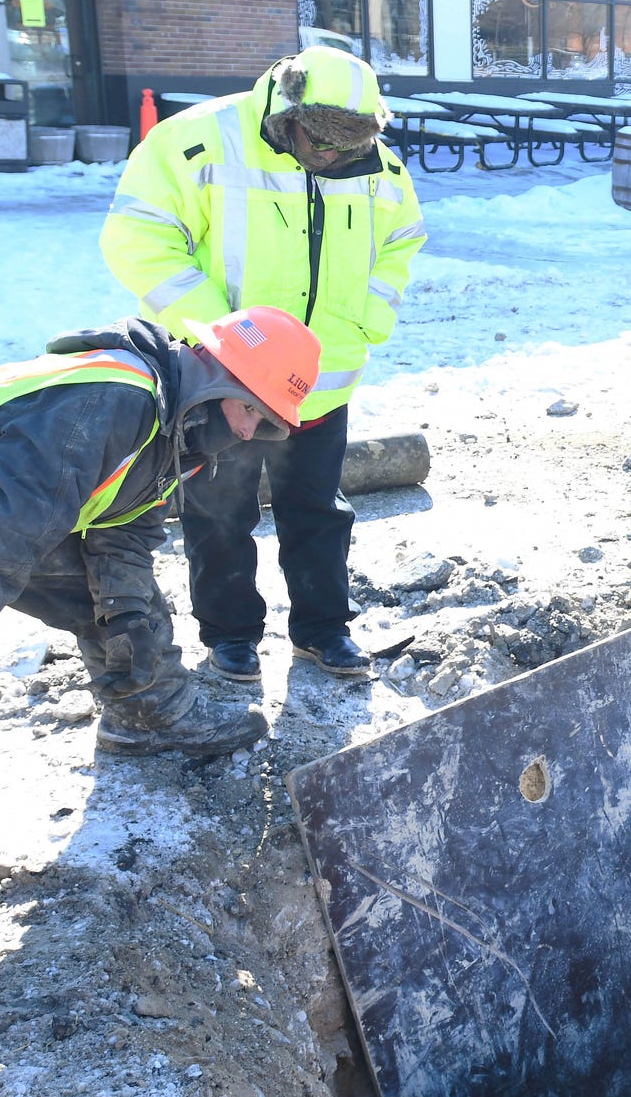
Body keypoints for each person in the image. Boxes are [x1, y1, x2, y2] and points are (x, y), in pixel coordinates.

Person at [0, 308, 322, 1012]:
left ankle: (145, 713)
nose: (253, 433)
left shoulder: (172, 436)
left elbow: (119, 553)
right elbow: (18, 525)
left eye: (268, 425)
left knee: (100, 592)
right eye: (254, 412)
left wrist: (143, 662)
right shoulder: (114, 399)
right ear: (217, 378)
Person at [100, 45, 426, 687]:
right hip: (225, 383)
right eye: (322, 142)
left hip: (321, 382)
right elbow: (138, 240)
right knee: (219, 510)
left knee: (318, 509)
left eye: (348, 145)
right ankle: (231, 637)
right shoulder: (197, 141)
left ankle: (324, 628)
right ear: (286, 114)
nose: (334, 157)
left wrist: (367, 321)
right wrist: (225, 338)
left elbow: (401, 240)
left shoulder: (374, 161)